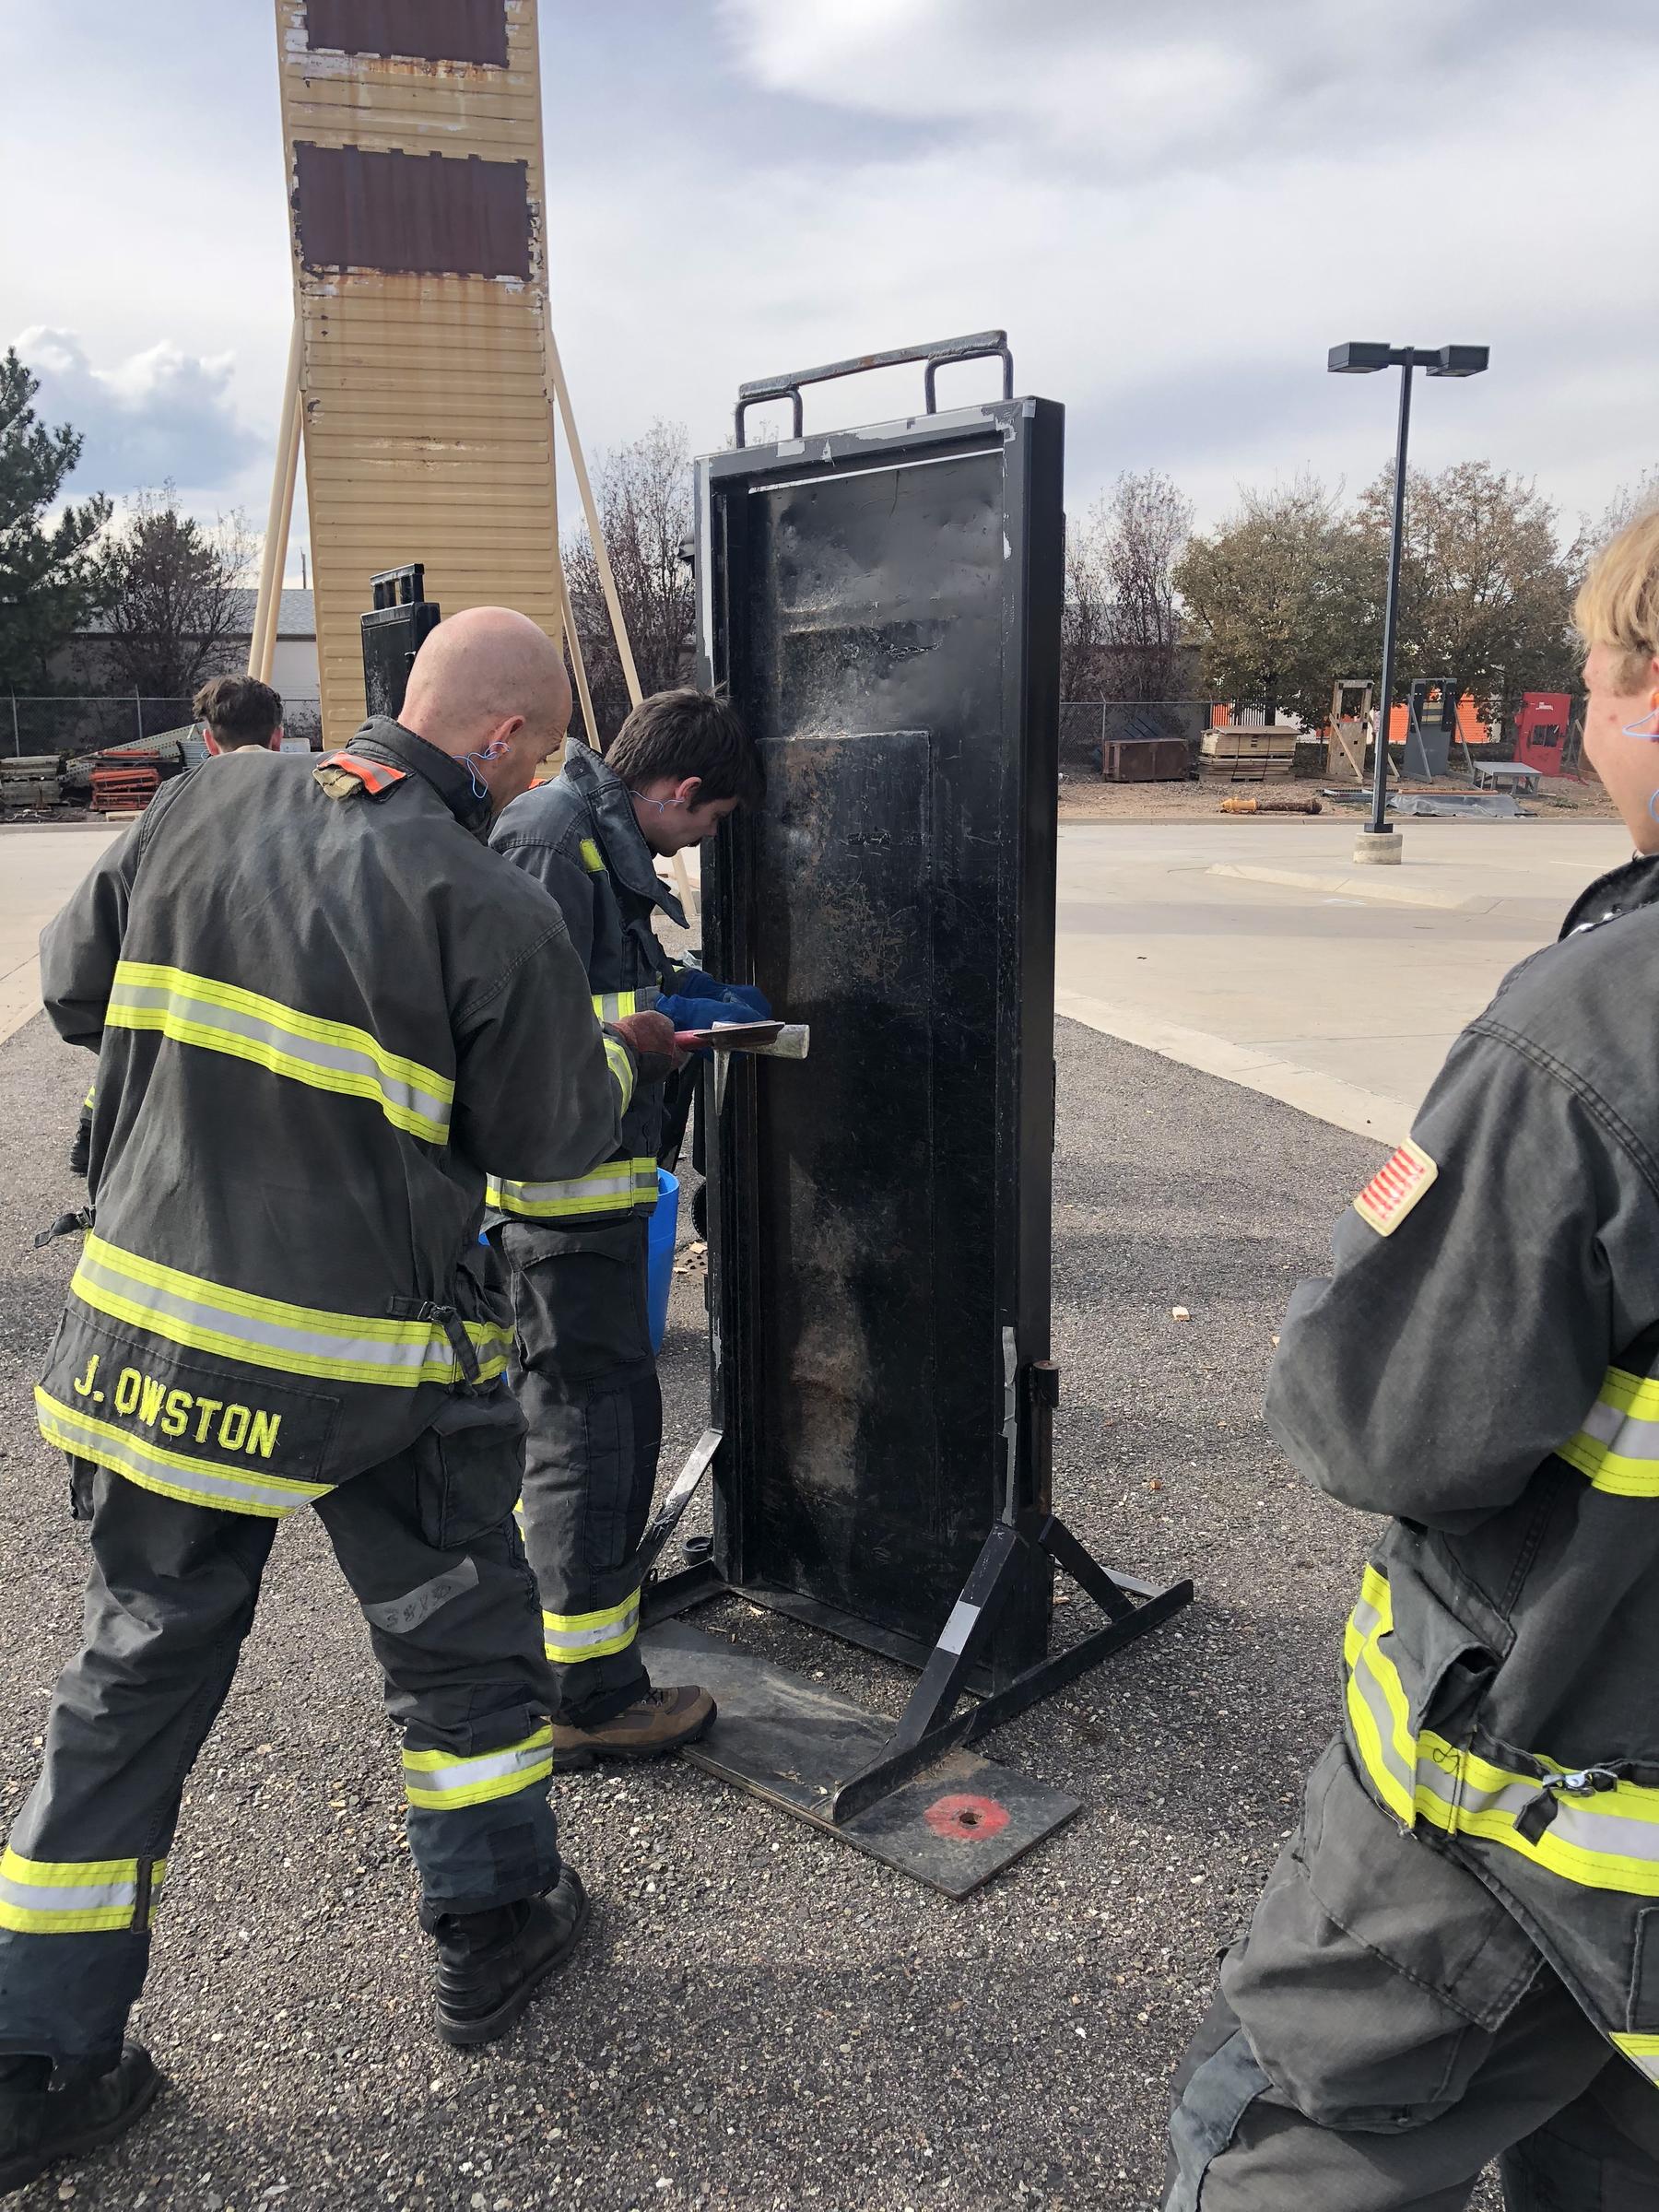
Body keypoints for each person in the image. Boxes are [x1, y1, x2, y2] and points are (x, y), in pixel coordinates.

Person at [0, 607, 684, 2192]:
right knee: (457, 1652)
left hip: (151, 1348)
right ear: (504, 745)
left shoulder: (203, 799)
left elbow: (77, 992)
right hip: (366, 1366)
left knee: (131, 1676)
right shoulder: (481, 898)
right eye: (542, 748)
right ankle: (493, 1930)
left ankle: (37, 2062)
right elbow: (550, 1147)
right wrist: (617, 1042)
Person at [1162, 512, 1659, 2206]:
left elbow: (1382, 1422)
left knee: (1288, 2153)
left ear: (1646, 692)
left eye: (1591, 668)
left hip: (1526, 1838)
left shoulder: (1593, 1037)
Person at [487, 690, 765, 1763]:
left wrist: (684, 994)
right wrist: (648, 1033)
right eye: (709, 824)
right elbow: (519, 1029)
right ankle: (588, 1696)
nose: (702, 844)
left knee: (580, 1434)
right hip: (562, 1208)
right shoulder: (556, 840)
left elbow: (588, 988)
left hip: (588, 1198)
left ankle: (553, 1654)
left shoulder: (587, 841)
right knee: (593, 1444)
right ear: (683, 792)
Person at [65, 677, 289, 1178]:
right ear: (279, 736)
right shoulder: (315, 806)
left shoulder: (166, 813)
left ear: (209, 742)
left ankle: (96, 1114)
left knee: (141, 1030)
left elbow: (72, 966)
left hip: (179, 984)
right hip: (269, 987)